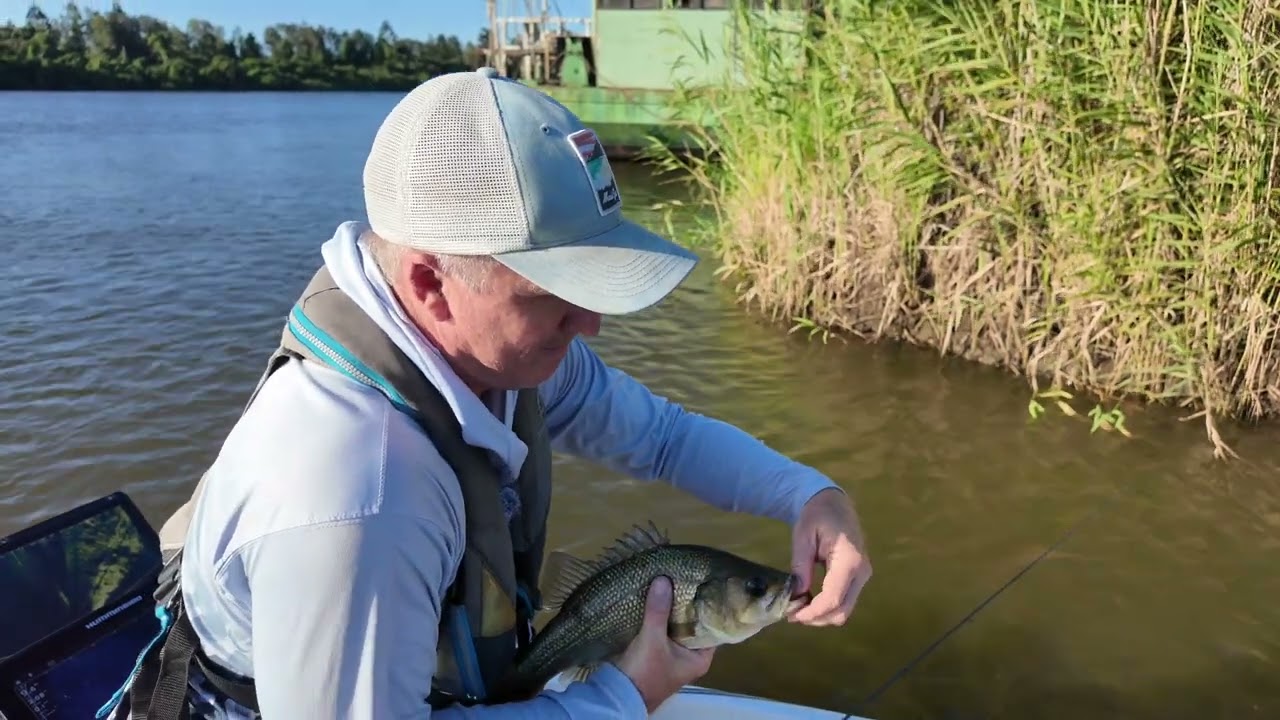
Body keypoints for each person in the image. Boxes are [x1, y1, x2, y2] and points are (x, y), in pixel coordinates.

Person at [108, 68, 871, 720]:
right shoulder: (356, 495)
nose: (594, 323)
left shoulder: (491, 349)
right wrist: (621, 697)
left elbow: (662, 437)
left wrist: (811, 497)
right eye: (559, 292)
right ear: (429, 284)